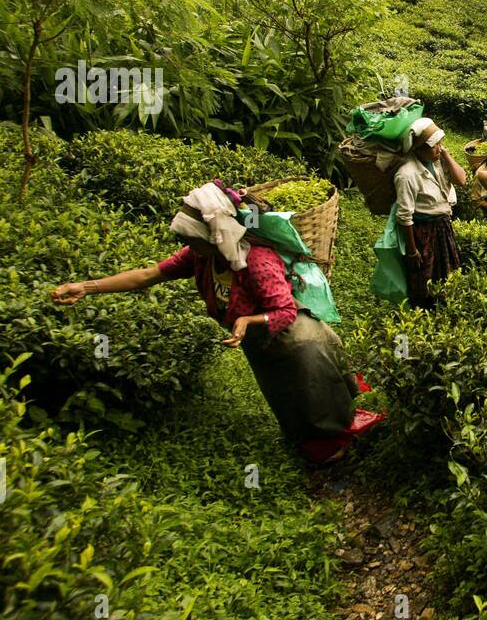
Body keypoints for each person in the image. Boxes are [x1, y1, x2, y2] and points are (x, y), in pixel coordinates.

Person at [51, 183, 364, 464]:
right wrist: (86, 287)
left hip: (299, 340)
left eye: (191, 238)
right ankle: (310, 442)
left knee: (319, 394)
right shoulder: (200, 256)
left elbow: (285, 311)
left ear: (213, 236)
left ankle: (340, 447)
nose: (186, 244)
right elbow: (147, 276)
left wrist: (245, 319)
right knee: (285, 395)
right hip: (260, 341)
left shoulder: (257, 259)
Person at [394, 117, 466, 308]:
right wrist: (412, 250)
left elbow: (461, 180)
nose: (438, 149)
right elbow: (404, 216)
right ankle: (423, 309)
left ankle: (443, 305)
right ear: (417, 149)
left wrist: (446, 155)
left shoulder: (438, 161)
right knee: (424, 272)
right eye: (433, 146)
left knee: (445, 270)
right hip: (423, 230)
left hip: (442, 225)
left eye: (440, 144)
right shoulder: (407, 174)